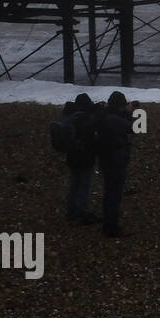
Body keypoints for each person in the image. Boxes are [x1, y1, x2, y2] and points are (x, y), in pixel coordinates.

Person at [97, 91, 134, 238]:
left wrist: (124, 112)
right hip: (116, 160)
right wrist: (133, 112)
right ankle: (111, 227)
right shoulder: (115, 120)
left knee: (108, 192)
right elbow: (137, 128)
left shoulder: (104, 115)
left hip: (105, 159)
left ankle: (108, 223)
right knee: (115, 194)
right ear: (120, 106)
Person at [64, 93, 100, 225]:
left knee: (74, 185)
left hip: (72, 156)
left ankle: (71, 211)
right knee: (84, 186)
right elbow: (91, 139)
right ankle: (83, 213)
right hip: (84, 157)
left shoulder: (70, 116)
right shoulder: (85, 120)